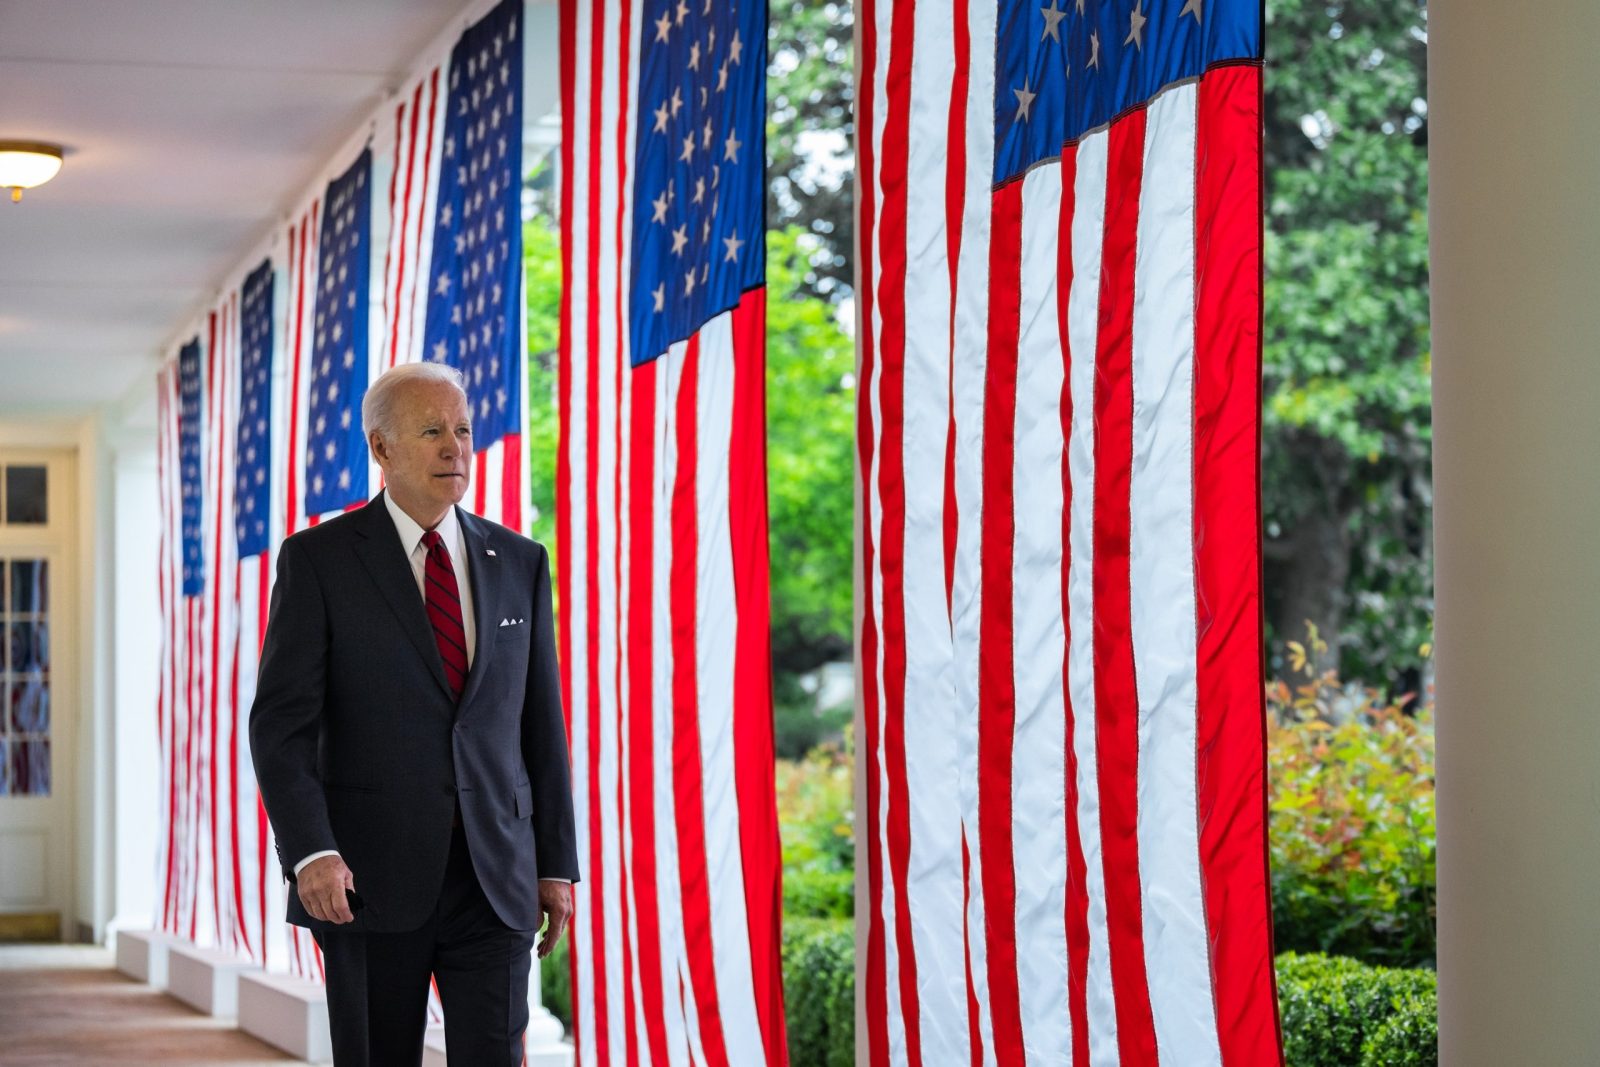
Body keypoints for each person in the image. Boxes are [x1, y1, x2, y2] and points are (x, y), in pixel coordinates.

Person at [250, 362, 579, 1066]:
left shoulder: (518, 560)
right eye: (432, 431)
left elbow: (539, 726)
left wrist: (556, 863)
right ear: (382, 448)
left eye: (462, 429)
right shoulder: (319, 561)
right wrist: (311, 850)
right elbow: (281, 726)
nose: (455, 447)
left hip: (496, 877)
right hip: (365, 880)